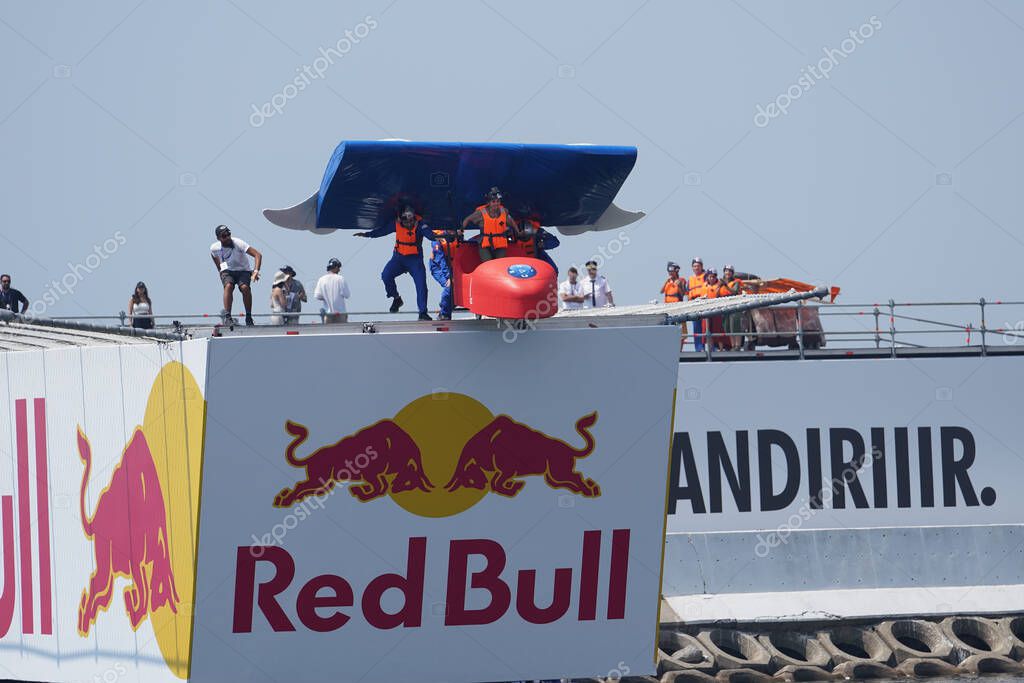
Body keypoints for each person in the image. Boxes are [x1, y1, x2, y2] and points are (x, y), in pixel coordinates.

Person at [355, 205, 440, 320]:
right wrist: (367, 234)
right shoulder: (396, 224)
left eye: (411, 221)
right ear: (401, 220)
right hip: (398, 259)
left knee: (421, 286)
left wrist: (443, 237)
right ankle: (396, 298)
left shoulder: (420, 224)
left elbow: (431, 236)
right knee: (386, 275)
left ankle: (422, 313)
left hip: (415, 260)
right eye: (406, 222)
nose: (409, 224)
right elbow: (382, 231)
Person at [210, 224, 262, 326]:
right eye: (224, 236)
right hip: (228, 271)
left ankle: (248, 316)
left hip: (243, 270)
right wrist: (220, 270)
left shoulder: (239, 243)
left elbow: (257, 255)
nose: (228, 237)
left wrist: (256, 271)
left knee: (245, 288)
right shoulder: (214, 248)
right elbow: (214, 256)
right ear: (219, 238)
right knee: (228, 286)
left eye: (229, 234)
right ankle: (228, 316)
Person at [462, 187, 518, 262]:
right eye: (493, 202)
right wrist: (462, 230)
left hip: (500, 243)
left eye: (498, 201)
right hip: (485, 243)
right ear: (489, 203)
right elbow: (467, 219)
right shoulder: (480, 213)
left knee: (500, 263)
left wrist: (518, 232)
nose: (496, 204)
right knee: (488, 263)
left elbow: (511, 221)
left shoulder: (504, 211)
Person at [700, 269, 731, 351]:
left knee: (718, 330)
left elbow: (726, 296)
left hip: (717, 311)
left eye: (713, 276)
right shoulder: (704, 286)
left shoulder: (720, 285)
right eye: (710, 276)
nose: (712, 278)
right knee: (706, 330)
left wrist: (719, 289)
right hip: (706, 311)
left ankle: (721, 348)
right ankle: (710, 348)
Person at [314, 258, 351, 324]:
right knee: (342, 333)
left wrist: (326, 296)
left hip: (328, 315)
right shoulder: (340, 279)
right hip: (340, 314)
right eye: (338, 267)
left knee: (328, 333)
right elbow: (347, 295)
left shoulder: (321, 279)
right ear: (336, 267)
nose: (339, 269)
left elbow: (317, 296)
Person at [429, 234, 454, 320]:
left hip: (453, 267)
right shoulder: (438, 239)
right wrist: (449, 277)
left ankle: (447, 305)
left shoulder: (458, 237)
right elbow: (440, 259)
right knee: (450, 287)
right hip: (438, 268)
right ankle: (444, 313)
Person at [721, 264, 744, 350]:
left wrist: (726, 286)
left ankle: (737, 345)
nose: (728, 273)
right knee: (727, 327)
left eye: (730, 271)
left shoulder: (736, 282)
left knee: (735, 326)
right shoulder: (721, 283)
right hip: (725, 306)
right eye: (726, 271)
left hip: (735, 307)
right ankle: (733, 345)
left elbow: (734, 292)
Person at [687, 257, 707, 350]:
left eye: (698, 266)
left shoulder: (706, 276)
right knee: (696, 327)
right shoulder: (690, 279)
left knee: (707, 326)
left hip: (704, 303)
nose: (696, 268)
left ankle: (713, 347)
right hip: (693, 304)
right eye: (694, 266)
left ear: (702, 266)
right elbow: (688, 293)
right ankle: (699, 348)